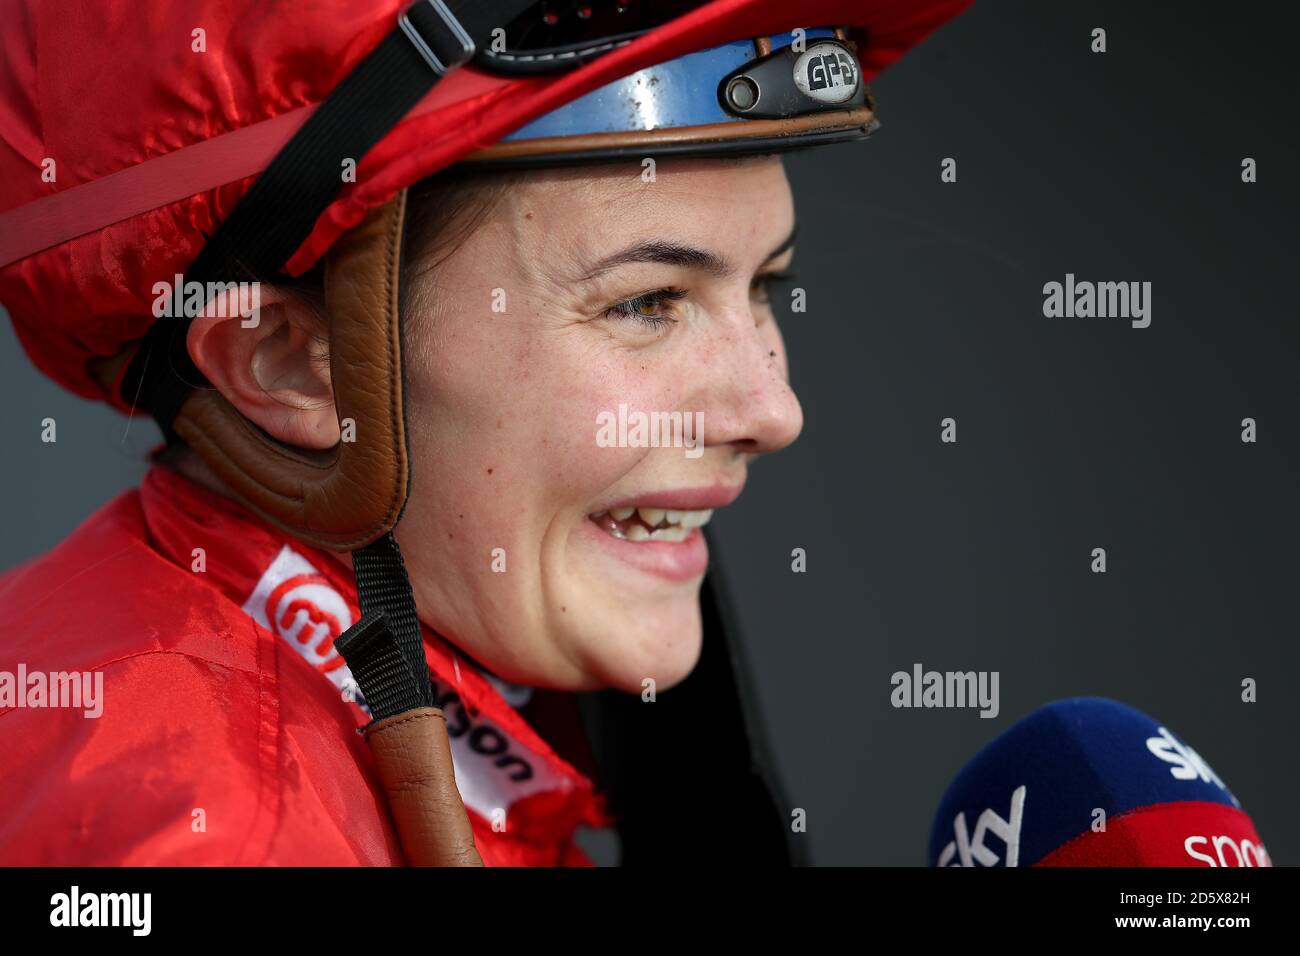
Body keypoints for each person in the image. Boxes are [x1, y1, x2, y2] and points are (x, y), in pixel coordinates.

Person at [0, 0, 968, 865]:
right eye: (646, 302)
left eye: (763, 287)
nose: (771, 410)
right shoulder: (212, 833)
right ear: (288, 361)